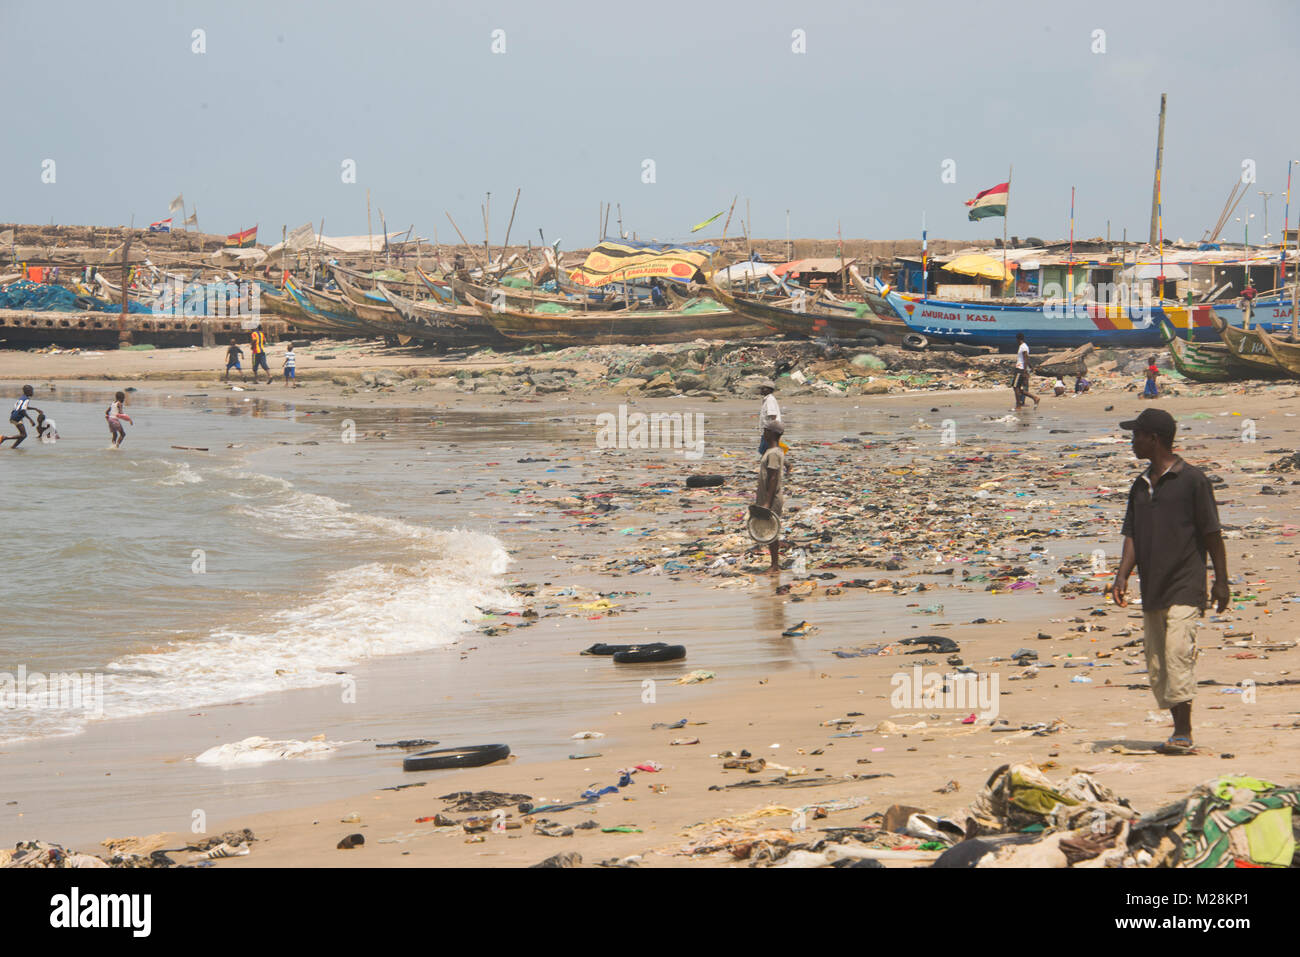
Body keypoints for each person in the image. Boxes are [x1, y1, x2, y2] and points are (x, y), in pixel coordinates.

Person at [1110, 408, 1229, 755]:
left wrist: (1221, 582)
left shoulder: (1193, 480)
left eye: (1136, 436)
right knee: (1158, 661)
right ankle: (1177, 726)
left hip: (1186, 582)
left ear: (1154, 439)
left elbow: (1212, 534)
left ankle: (1183, 732)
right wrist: (1121, 576)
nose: (1132, 442)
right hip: (1153, 585)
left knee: (1178, 652)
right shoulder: (1140, 485)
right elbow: (1131, 534)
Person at [755, 422, 787, 574]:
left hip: (772, 498)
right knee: (770, 531)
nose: (763, 434)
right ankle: (774, 563)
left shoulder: (773, 452)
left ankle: (775, 565)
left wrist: (767, 502)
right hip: (768, 497)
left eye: (765, 431)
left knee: (771, 532)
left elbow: (773, 477)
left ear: (772, 434)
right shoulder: (773, 451)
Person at [1, 384, 43, 448]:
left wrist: (35, 409)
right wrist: (30, 420)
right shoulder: (26, 399)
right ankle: (4, 438)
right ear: (27, 391)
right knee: (23, 435)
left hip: (14, 416)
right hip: (17, 417)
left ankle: (13, 447)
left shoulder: (22, 398)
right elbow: (22, 410)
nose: (32, 392)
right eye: (31, 391)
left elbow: (22, 407)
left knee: (23, 435)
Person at [1012, 333, 1039, 410]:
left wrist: (1024, 371)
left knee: (1015, 387)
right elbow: (1027, 359)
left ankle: (1018, 405)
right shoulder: (1024, 346)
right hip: (1021, 369)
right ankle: (1034, 398)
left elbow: (1025, 358)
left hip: (1020, 369)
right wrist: (1030, 367)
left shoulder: (1023, 347)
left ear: (1018, 339)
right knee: (1017, 388)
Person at [757, 379, 782, 455]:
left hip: (770, 430)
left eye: (763, 388)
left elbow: (773, 416)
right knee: (768, 450)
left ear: (769, 390)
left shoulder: (770, 400)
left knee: (765, 450)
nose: (761, 390)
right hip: (769, 430)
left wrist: (769, 432)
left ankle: (786, 465)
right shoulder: (767, 399)